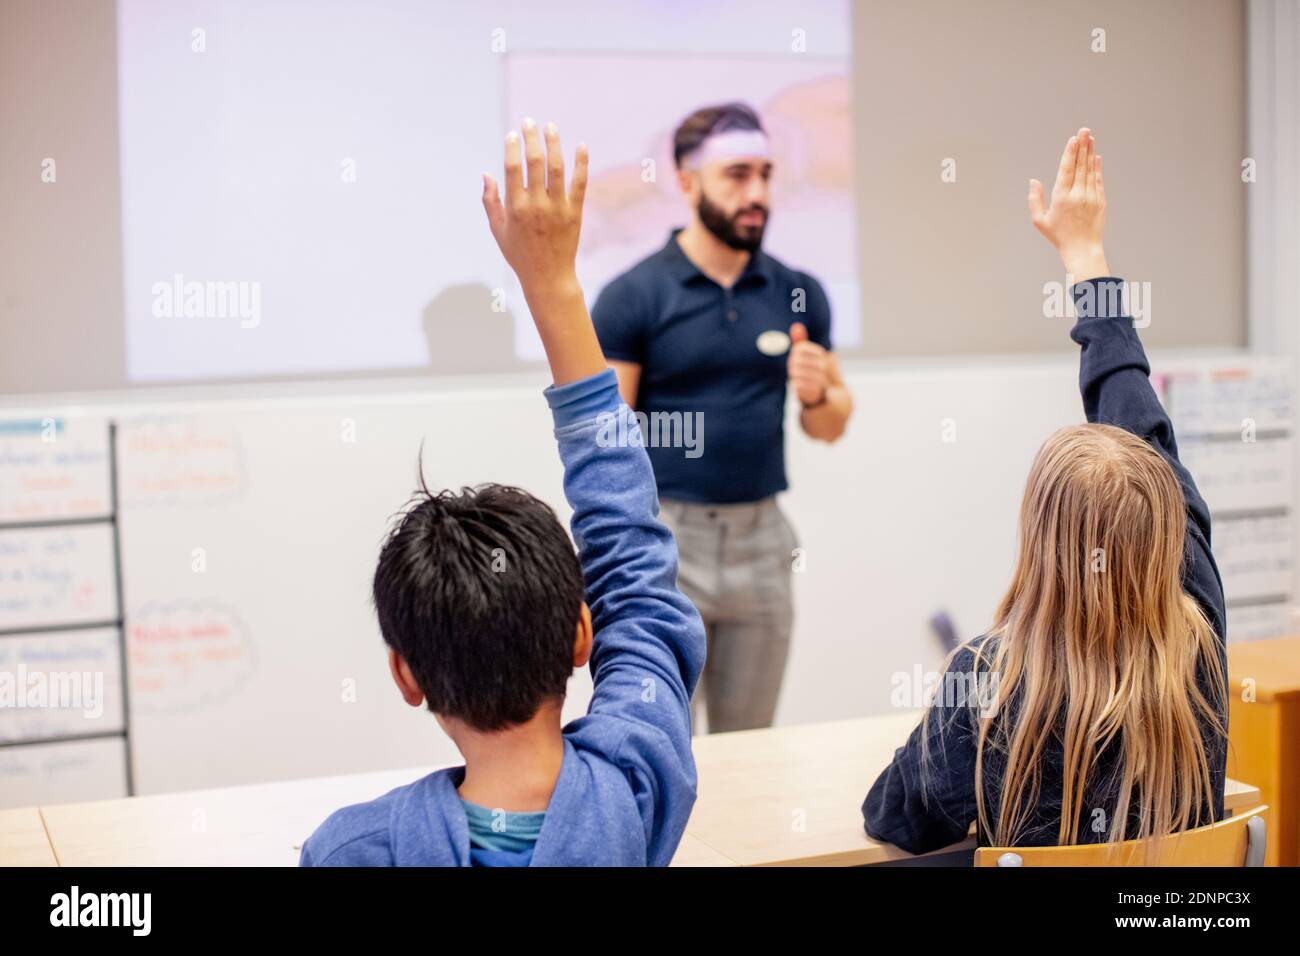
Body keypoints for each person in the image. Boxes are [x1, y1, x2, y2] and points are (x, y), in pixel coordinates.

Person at [301, 118, 706, 866]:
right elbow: (637, 578)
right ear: (582, 635)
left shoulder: (353, 852)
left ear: (406, 675)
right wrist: (552, 282)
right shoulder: (638, 789)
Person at [862, 129, 1228, 853]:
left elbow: (893, 818)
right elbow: (1141, 428)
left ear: (1038, 540)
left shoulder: (989, 679)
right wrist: (1086, 258)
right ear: (1169, 527)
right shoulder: (1201, 636)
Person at [592, 102, 853, 733]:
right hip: (666, 544)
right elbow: (608, 441)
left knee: (749, 750)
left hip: (763, 544)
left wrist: (818, 394)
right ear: (686, 181)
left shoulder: (798, 293)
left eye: (765, 174)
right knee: (656, 743)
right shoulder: (634, 295)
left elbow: (831, 425)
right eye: (737, 174)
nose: (757, 192)